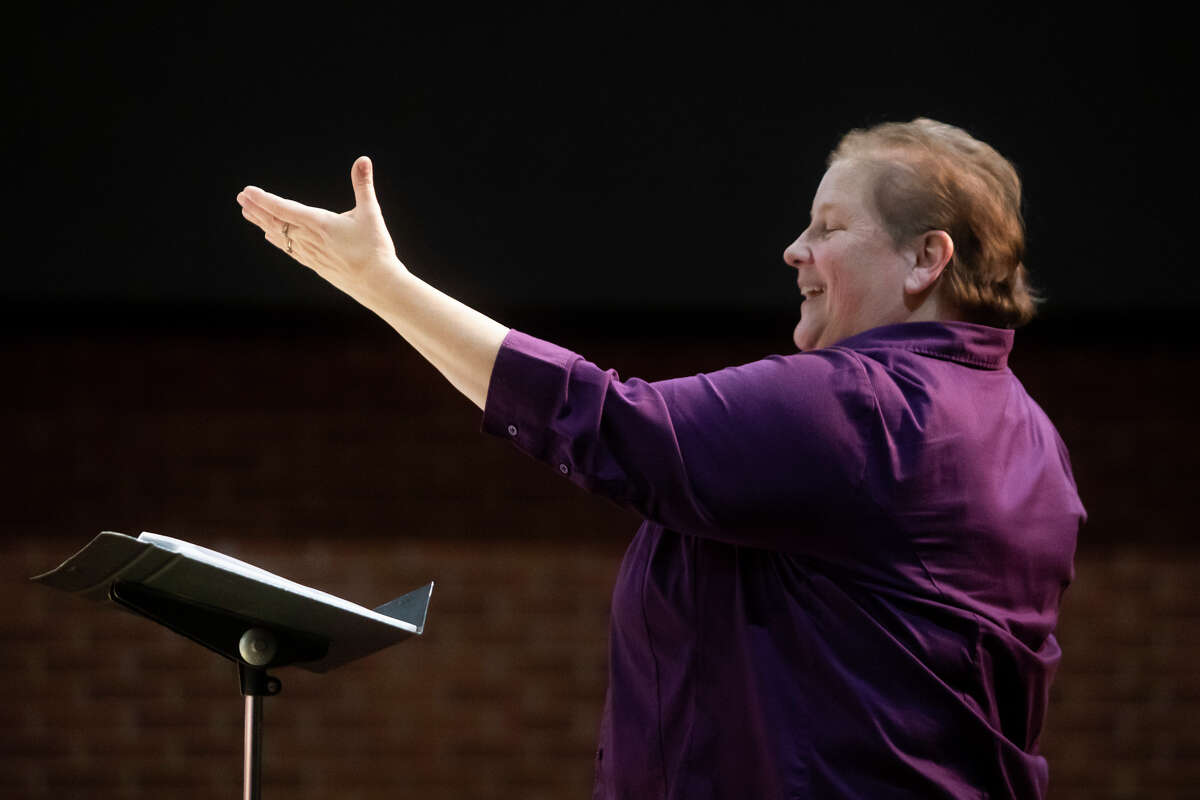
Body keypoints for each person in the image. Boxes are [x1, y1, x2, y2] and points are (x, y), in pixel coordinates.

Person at [236, 118, 1086, 799]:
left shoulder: (867, 404)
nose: (796, 250)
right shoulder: (1034, 436)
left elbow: (608, 422)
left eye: (829, 227)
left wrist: (384, 286)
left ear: (925, 259)